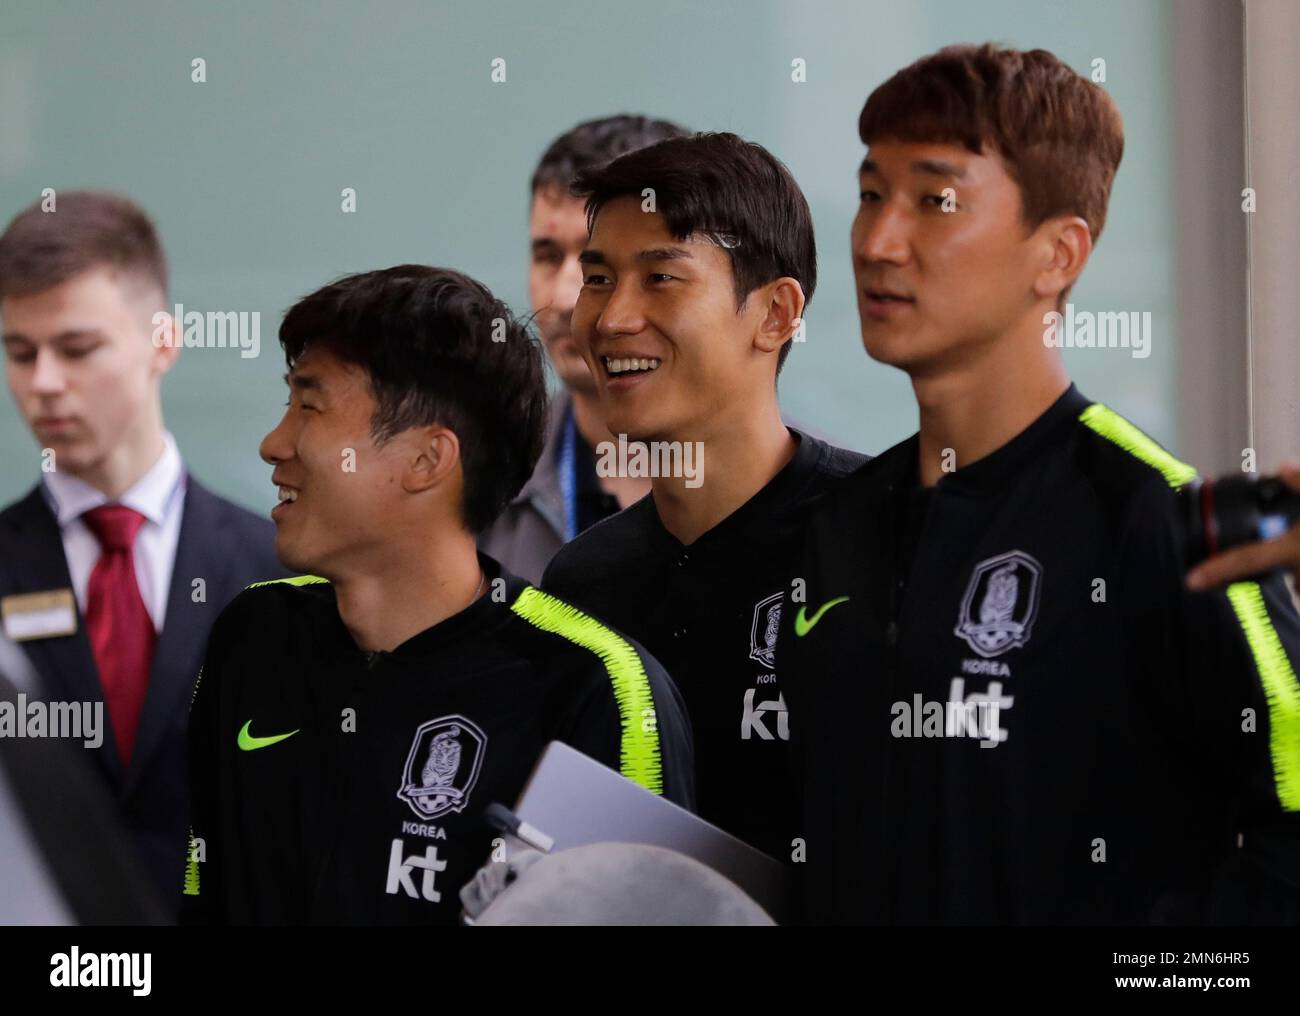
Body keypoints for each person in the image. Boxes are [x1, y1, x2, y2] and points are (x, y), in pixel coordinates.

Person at [785, 43, 1300, 924]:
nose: (878, 241)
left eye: (935, 201)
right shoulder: (836, 524)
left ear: (1058, 255)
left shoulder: (1170, 520)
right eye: (872, 194)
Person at [183, 265, 694, 925]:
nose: (274, 444)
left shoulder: (594, 688)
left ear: (428, 460)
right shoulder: (254, 634)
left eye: (309, 406)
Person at [541, 133, 866, 861]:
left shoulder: (886, 533)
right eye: (599, 279)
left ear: (778, 314)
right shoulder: (583, 581)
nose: (613, 318)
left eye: (661, 278)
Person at [0, 192, 283, 912]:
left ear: (162, 341)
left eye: (77, 348)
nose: (44, 384)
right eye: (19, 352)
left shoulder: (280, 569)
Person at [480, 114, 689, 583]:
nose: (564, 298)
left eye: (600, 264)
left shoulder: (817, 498)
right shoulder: (477, 486)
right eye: (548, 256)